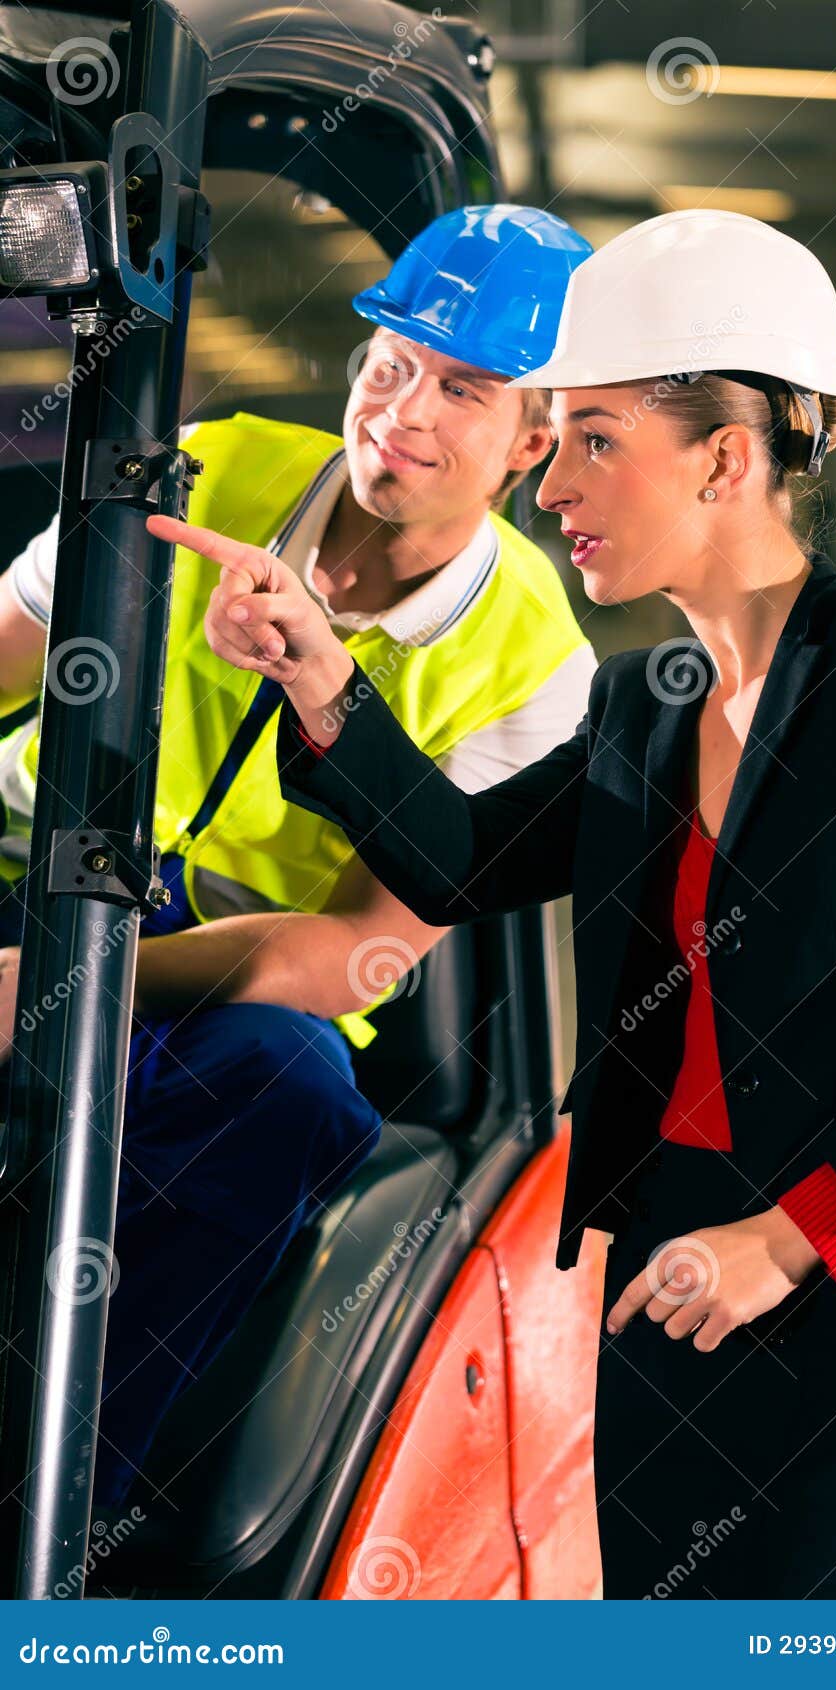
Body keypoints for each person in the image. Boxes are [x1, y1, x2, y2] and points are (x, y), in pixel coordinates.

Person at [157, 208, 836, 1599]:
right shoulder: (646, 703)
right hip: (656, 1265)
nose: (548, 487)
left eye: (592, 439)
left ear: (725, 458)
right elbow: (461, 860)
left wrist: (789, 1236)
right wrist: (319, 672)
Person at [0, 203, 595, 1511]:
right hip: (22, 874)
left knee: (287, 1099)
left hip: (223, 980)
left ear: (534, 438)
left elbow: (353, 953)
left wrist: (61, 984)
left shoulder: (537, 665)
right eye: (392, 363)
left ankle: (58, 1503)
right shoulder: (210, 469)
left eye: (463, 390)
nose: (402, 413)